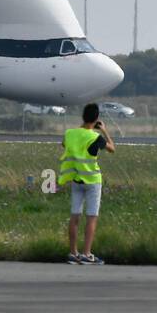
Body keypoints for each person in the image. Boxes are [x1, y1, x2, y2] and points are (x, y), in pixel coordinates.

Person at [58, 103, 114, 264]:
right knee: (91, 218)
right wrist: (104, 130)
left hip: (76, 179)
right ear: (96, 119)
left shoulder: (70, 133)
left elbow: (64, 144)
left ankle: (73, 252)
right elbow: (112, 149)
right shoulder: (95, 137)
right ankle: (87, 253)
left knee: (74, 216)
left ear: (83, 116)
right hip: (93, 181)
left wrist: (80, 130)